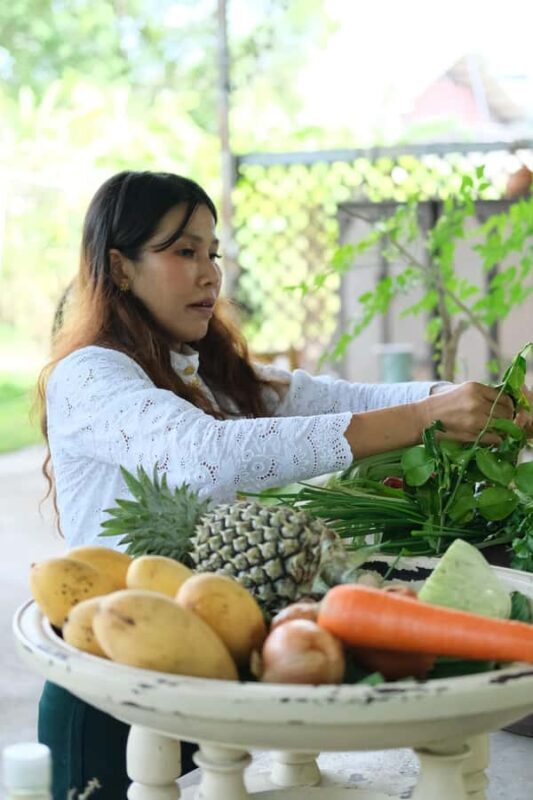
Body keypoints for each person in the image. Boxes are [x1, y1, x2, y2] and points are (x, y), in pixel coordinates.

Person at [36, 170, 521, 799]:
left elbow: (333, 398)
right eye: (183, 251)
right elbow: (206, 455)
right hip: (105, 685)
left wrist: (459, 400)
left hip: (193, 670)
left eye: (213, 253)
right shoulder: (90, 375)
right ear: (120, 267)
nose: (211, 273)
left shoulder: (201, 372)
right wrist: (428, 418)